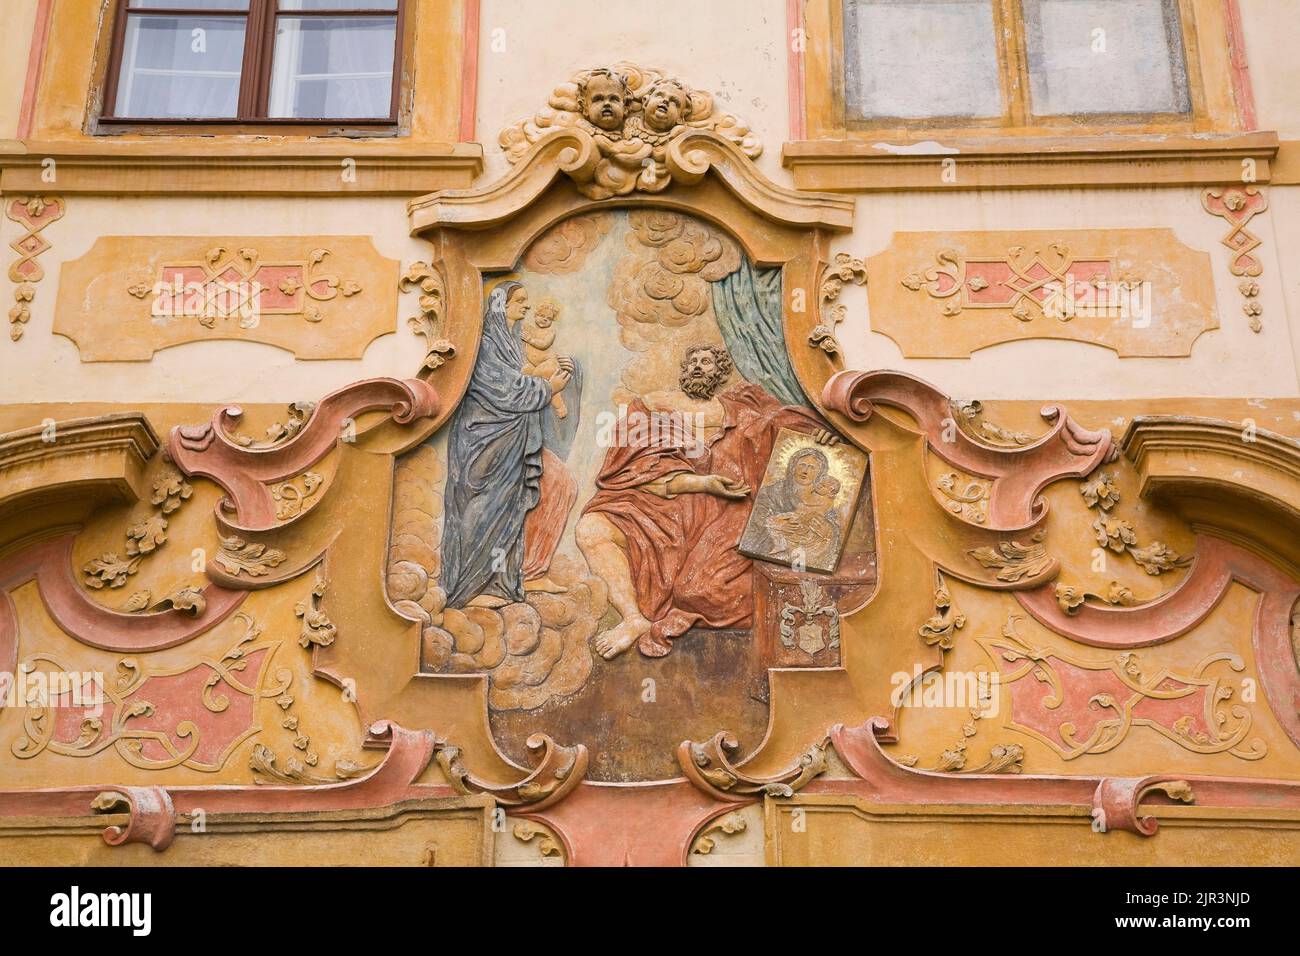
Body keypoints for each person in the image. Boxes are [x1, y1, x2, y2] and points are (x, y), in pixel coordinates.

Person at [575, 343, 836, 658]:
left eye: (707, 362)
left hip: (724, 511)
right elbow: (633, 466)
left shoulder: (742, 409)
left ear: (720, 372)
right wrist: (701, 482)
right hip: (662, 502)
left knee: (697, 591)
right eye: (693, 361)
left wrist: (821, 434)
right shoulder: (655, 404)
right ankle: (633, 618)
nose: (698, 366)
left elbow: (787, 425)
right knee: (590, 529)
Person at [441, 281, 575, 609]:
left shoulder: (510, 345)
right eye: (520, 301)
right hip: (483, 444)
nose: (526, 307)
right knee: (482, 511)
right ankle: (470, 588)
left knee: (512, 509)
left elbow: (523, 375)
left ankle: (502, 583)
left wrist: (560, 372)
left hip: (512, 441)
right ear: (502, 305)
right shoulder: (486, 344)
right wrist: (548, 386)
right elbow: (507, 390)